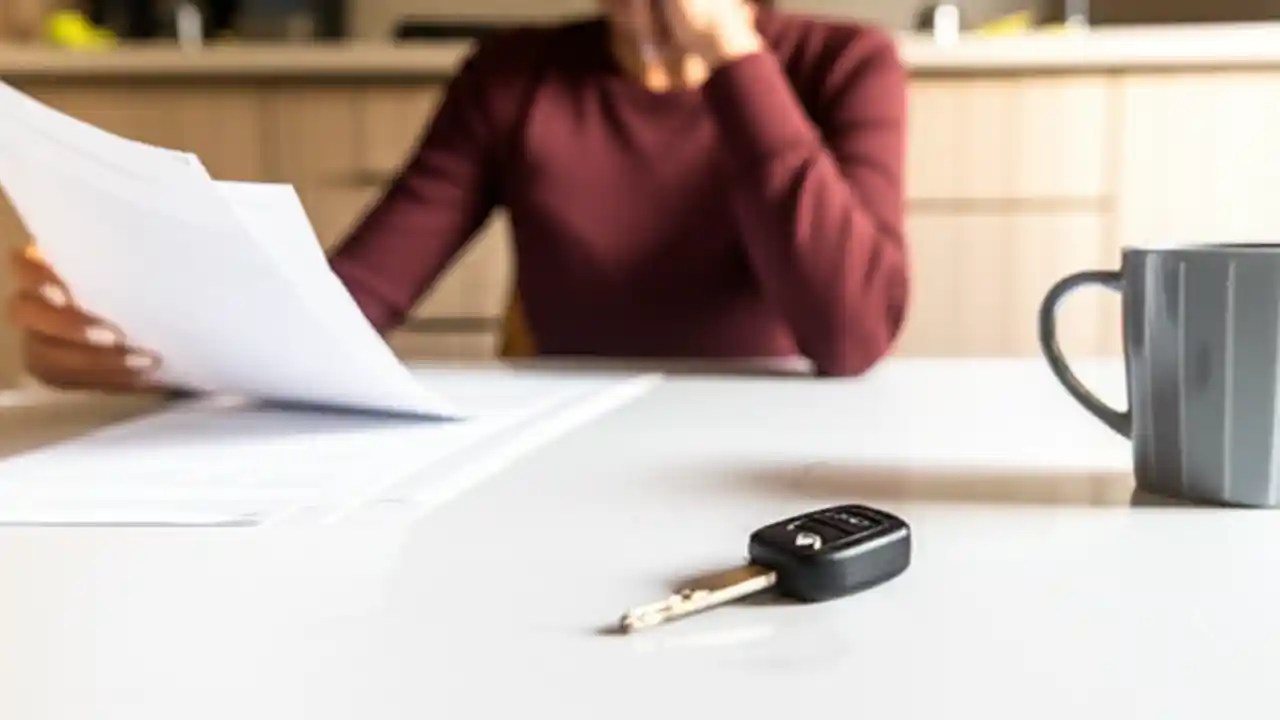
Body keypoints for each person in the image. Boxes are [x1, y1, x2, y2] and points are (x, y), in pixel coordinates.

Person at [6, 0, 909, 393]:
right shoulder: (517, 74)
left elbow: (853, 332)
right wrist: (160, 343)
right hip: (566, 448)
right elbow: (354, 303)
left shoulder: (841, 65)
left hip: (778, 455)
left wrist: (734, 56)